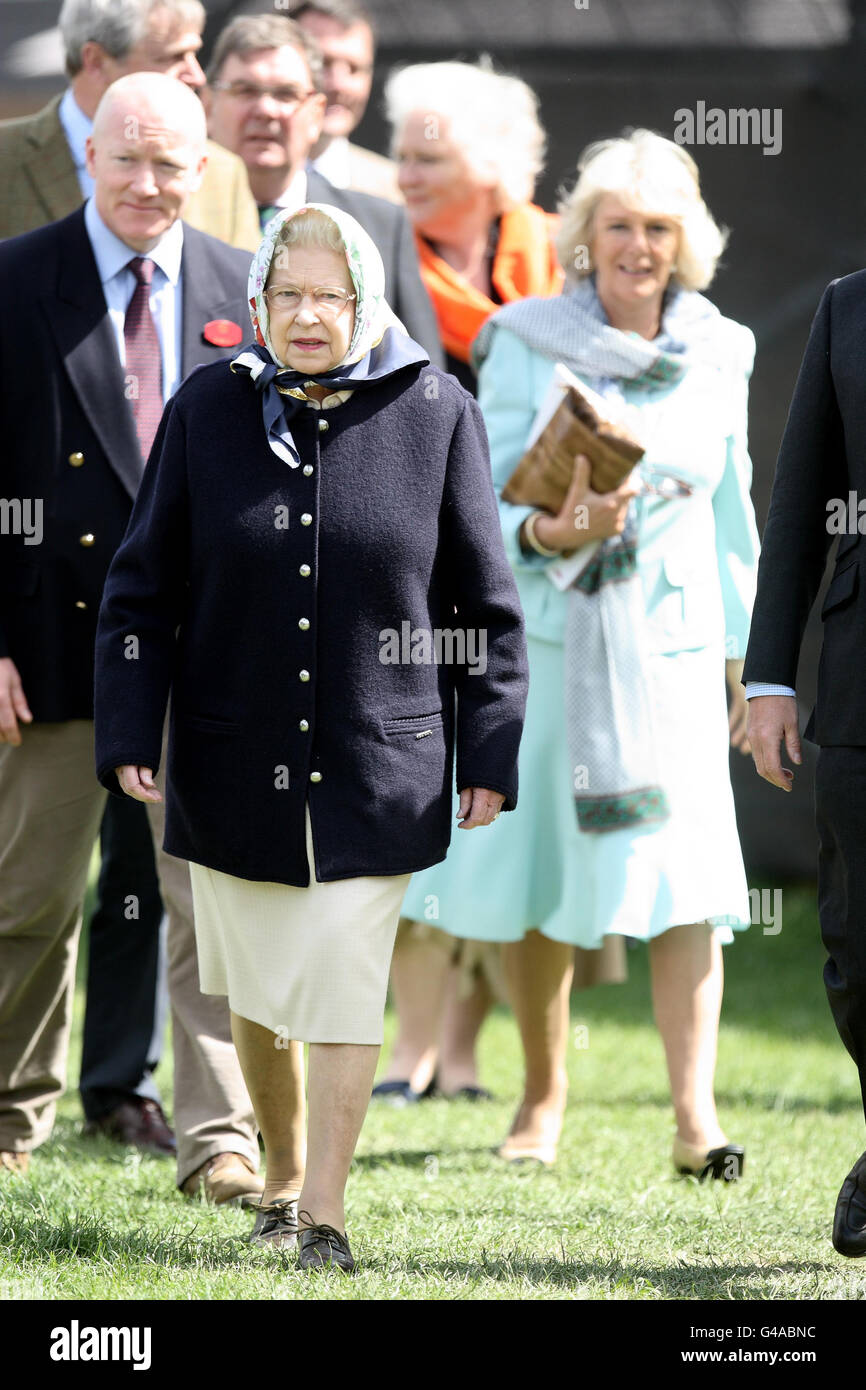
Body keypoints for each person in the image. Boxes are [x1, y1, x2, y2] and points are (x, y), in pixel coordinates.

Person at [92, 202, 528, 1270]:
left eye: (329, 295)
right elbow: (141, 587)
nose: (306, 314)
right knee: (260, 995)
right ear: (258, 301)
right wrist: (126, 724)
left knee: (335, 980)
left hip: (381, 762)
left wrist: (493, 746)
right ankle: (279, 1178)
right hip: (227, 757)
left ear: (364, 299)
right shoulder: (209, 410)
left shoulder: (434, 409)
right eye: (286, 293)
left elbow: (480, 598)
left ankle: (323, 1210)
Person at [403, 129, 760, 1172]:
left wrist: (749, 665)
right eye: (617, 225)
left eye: (656, 228)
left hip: (678, 651)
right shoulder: (519, 335)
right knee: (542, 877)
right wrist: (556, 530)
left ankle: (696, 1122)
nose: (636, 247)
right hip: (555, 640)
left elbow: (732, 513)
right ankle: (539, 1103)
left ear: (684, 242)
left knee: (686, 884)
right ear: (584, 236)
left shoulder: (723, 346)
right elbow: (491, 494)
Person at [0, 0, 263, 1159]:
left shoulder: (244, 287)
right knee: (28, 904)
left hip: (200, 655)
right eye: (127, 160)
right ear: (86, 152)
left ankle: (222, 1140)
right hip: (42, 644)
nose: (148, 184)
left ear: (200, 168)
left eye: (170, 164)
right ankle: (11, 1119)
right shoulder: (15, 280)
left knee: (207, 908)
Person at [375, 60, 570, 1104]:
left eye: (427, 153)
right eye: (399, 148)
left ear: (491, 165)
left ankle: (460, 1051)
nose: (403, 169)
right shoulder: (377, 253)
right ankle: (412, 1049)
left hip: (531, 571)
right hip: (413, 562)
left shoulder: (552, 260)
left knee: (508, 805)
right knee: (423, 792)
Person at [744, 275, 866, 1254]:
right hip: (860, 683)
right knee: (856, 950)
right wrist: (769, 676)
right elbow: (799, 506)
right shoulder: (844, 306)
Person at [203, 13, 442, 365]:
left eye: (286, 94)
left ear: (316, 113)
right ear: (208, 104)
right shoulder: (170, 221)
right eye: (245, 90)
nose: (266, 109)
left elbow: (422, 375)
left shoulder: (380, 226)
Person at [0, 0, 260, 249]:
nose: (196, 75)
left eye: (194, 54)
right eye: (172, 56)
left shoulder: (223, 171)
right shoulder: (7, 157)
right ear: (96, 61)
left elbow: (242, 288)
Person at [386, 60, 563, 393]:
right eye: (402, 158)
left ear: (492, 163)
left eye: (428, 159)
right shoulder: (382, 264)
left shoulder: (562, 253)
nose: (405, 178)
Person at [291, 0, 401, 202]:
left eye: (354, 68)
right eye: (323, 64)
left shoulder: (397, 191)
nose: (339, 85)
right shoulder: (232, 181)